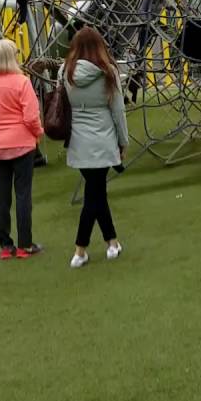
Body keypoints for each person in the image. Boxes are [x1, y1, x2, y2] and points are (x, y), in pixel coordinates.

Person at [62, 27, 129, 269]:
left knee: (96, 193)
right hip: (103, 139)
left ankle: (113, 243)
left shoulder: (66, 72)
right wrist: (124, 141)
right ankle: (80, 250)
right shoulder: (108, 72)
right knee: (94, 196)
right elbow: (118, 111)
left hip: (79, 140)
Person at [0, 39, 44, 260]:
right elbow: (31, 116)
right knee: (23, 194)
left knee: (1, 197)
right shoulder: (21, 82)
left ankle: (6, 245)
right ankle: (25, 245)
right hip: (22, 143)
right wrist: (38, 132)